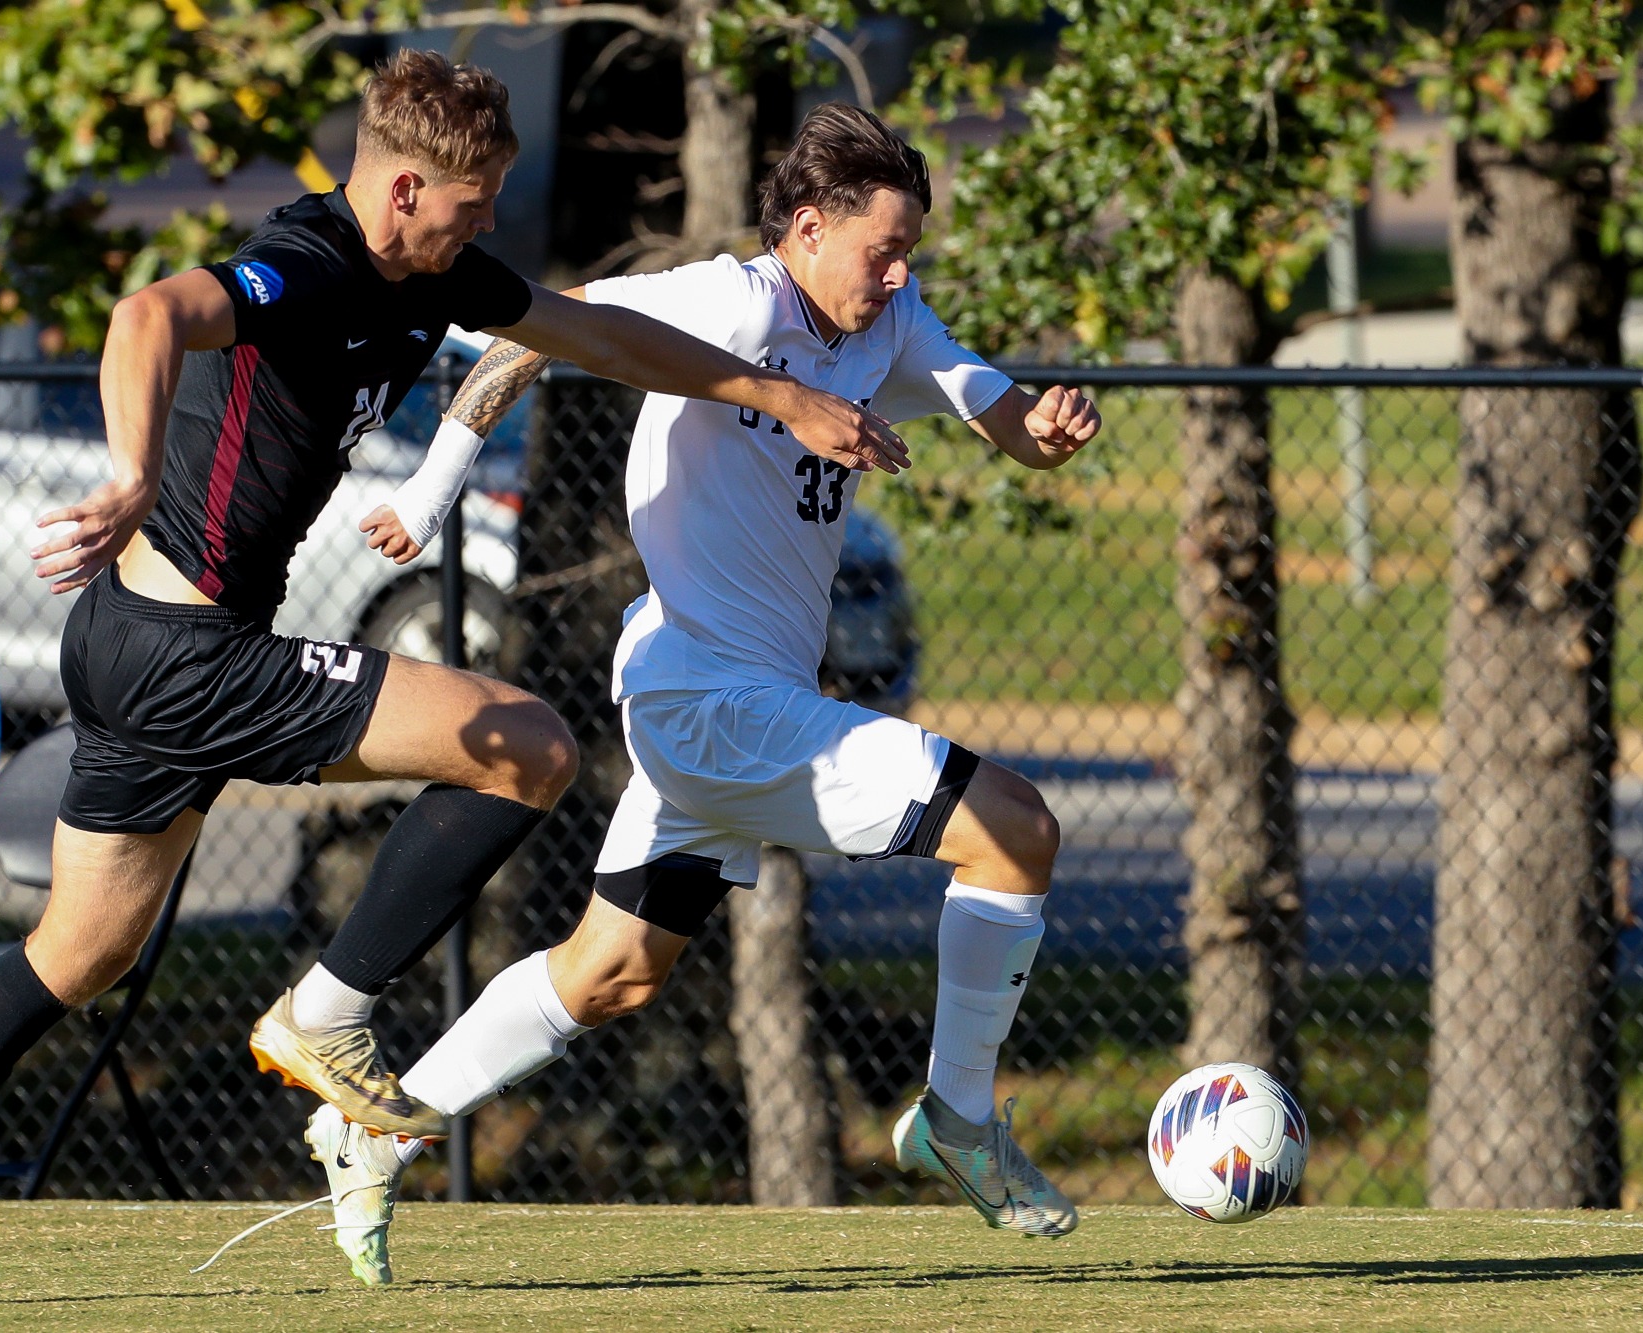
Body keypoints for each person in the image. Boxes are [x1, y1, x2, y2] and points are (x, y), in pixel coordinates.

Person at [0, 54, 907, 1309]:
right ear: (404, 185)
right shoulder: (304, 263)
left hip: (143, 646)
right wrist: (134, 476)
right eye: (471, 206)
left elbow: (594, 332)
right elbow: (145, 316)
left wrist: (774, 391)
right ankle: (324, 1013)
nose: (486, 229)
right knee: (522, 744)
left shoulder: (433, 265)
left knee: (72, 956)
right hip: (185, 650)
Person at [313, 101, 1102, 1285]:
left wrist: (1041, 426)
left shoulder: (884, 320)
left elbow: (996, 409)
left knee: (612, 970)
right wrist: (430, 496)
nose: (897, 275)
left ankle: (378, 1122)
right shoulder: (732, 302)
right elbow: (530, 340)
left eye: (909, 254)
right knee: (1015, 830)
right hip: (707, 698)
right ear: (804, 227)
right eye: (881, 250)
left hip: (727, 704)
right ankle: (958, 1119)